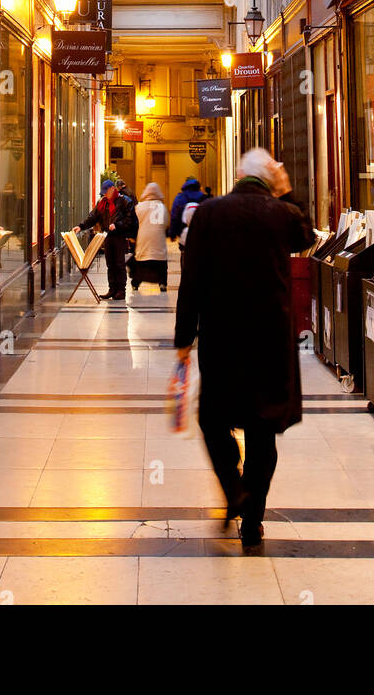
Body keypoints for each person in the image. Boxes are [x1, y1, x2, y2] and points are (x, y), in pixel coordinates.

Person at [174, 147, 315, 552]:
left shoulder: (208, 214)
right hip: (270, 339)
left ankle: (235, 489)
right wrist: (286, 192)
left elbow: (192, 281)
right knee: (262, 427)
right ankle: (253, 521)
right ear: (269, 180)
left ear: (238, 176)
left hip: (223, 337)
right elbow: (306, 236)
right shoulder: (280, 213)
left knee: (212, 419)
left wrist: (185, 339)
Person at [72, 179, 136, 301]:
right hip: (107, 237)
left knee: (119, 264)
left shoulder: (124, 202)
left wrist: (117, 225)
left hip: (119, 236)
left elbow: (130, 220)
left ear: (112, 189)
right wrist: (80, 226)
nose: (104, 195)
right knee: (110, 264)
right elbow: (93, 217)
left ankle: (121, 291)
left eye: (106, 192)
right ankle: (112, 289)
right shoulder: (102, 203)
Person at [131, 183, 170, 291]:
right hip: (158, 240)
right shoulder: (162, 207)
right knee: (161, 262)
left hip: (144, 239)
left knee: (141, 261)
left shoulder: (139, 207)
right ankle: (162, 283)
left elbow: (134, 223)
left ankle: (136, 282)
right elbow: (166, 223)